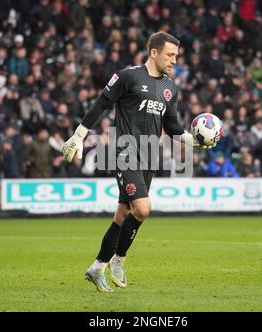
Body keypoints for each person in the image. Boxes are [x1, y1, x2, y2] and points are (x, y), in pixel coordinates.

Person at [62, 32, 216, 292]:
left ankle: (97, 268)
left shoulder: (170, 89)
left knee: (123, 216)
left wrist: (196, 142)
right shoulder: (127, 77)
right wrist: (78, 137)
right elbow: (100, 104)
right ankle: (118, 261)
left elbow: (173, 127)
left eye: (176, 56)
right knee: (142, 209)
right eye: (170, 54)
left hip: (149, 156)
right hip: (125, 152)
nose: (174, 60)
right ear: (153, 52)